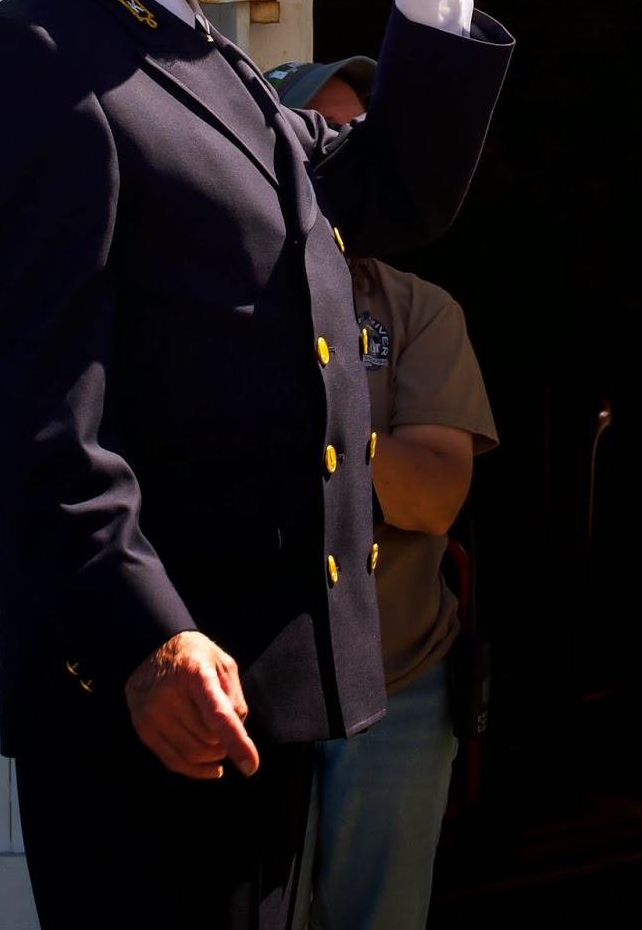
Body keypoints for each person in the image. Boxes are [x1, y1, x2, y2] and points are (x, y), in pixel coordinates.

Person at [0, 0, 513, 930]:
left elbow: (391, 195)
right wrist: (143, 639)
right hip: (162, 698)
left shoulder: (200, 52)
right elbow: (36, 415)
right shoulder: (32, 62)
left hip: (267, 688)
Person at [266, 57, 498, 930]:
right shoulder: (206, 303)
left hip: (397, 686)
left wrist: (310, 402)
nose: (341, 163)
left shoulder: (420, 309)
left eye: (356, 141)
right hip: (248, 691)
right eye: (317, 141)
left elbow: (435, 498)